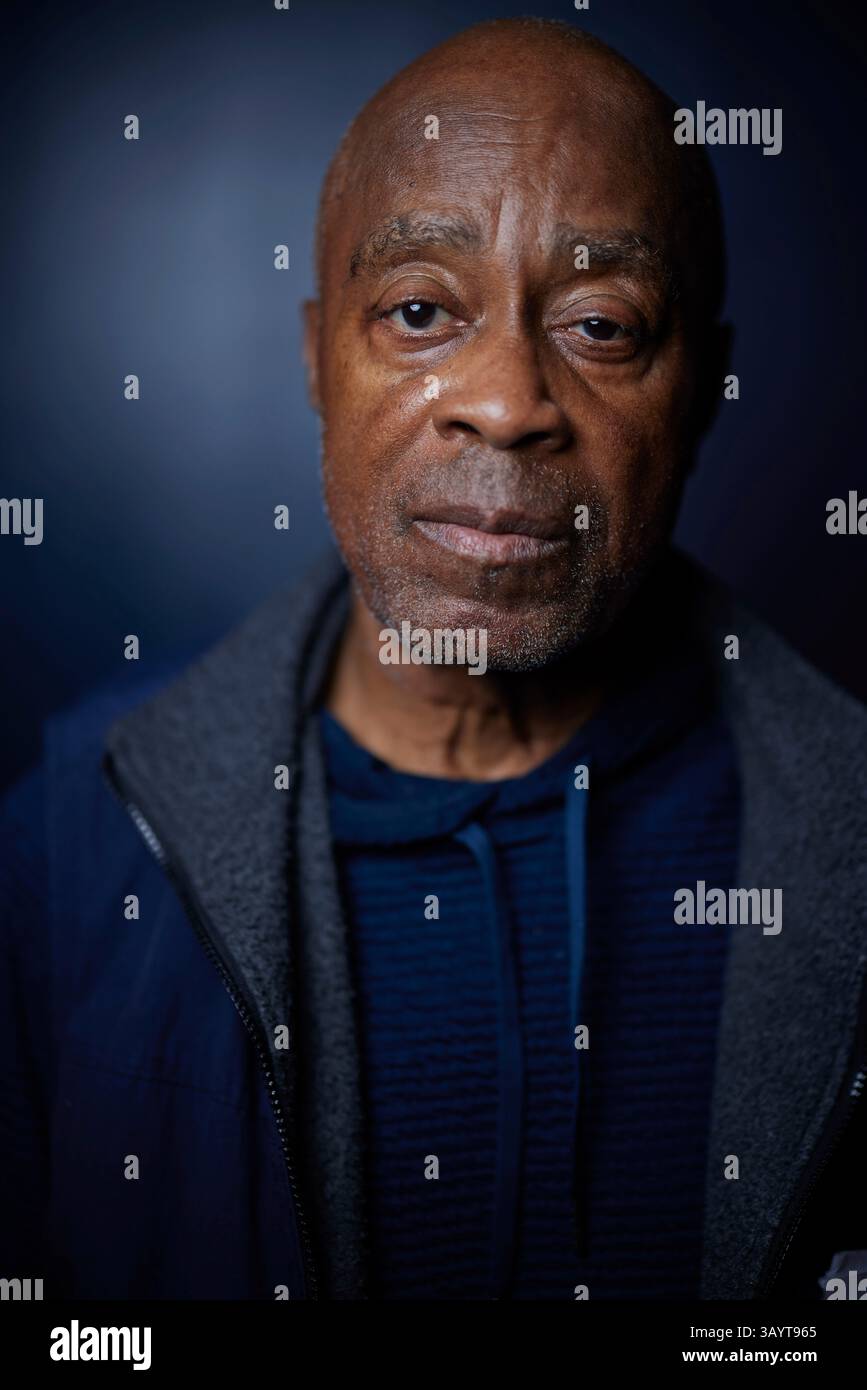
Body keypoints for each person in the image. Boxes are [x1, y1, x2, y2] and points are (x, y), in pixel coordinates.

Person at [2, 18, 866, 1302]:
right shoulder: (73, 842)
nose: (509, 400)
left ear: (704, 392)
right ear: (314, 359)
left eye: (603, 324)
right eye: (418, 310)